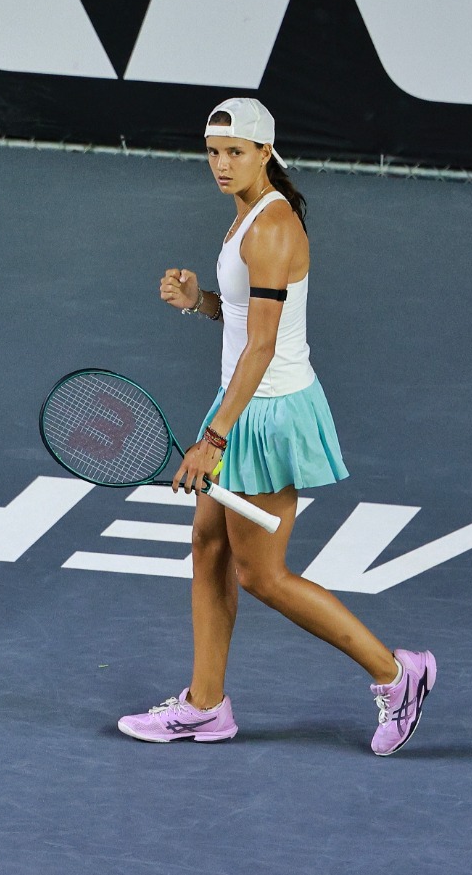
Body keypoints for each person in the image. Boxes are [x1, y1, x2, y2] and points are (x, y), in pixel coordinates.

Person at [116, 97, 435, 757]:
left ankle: (395, 674)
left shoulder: (271, 226)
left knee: (262, 574)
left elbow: (262, 347)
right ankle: (206, 705)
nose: (221, 164)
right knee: (208, 546)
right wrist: (200, 301)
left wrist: (213, 439)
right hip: (242, 402)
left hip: (265, 412)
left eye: (235, 152)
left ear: (265, 151)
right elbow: (246, 319)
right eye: (213, 152)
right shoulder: (246, 217)